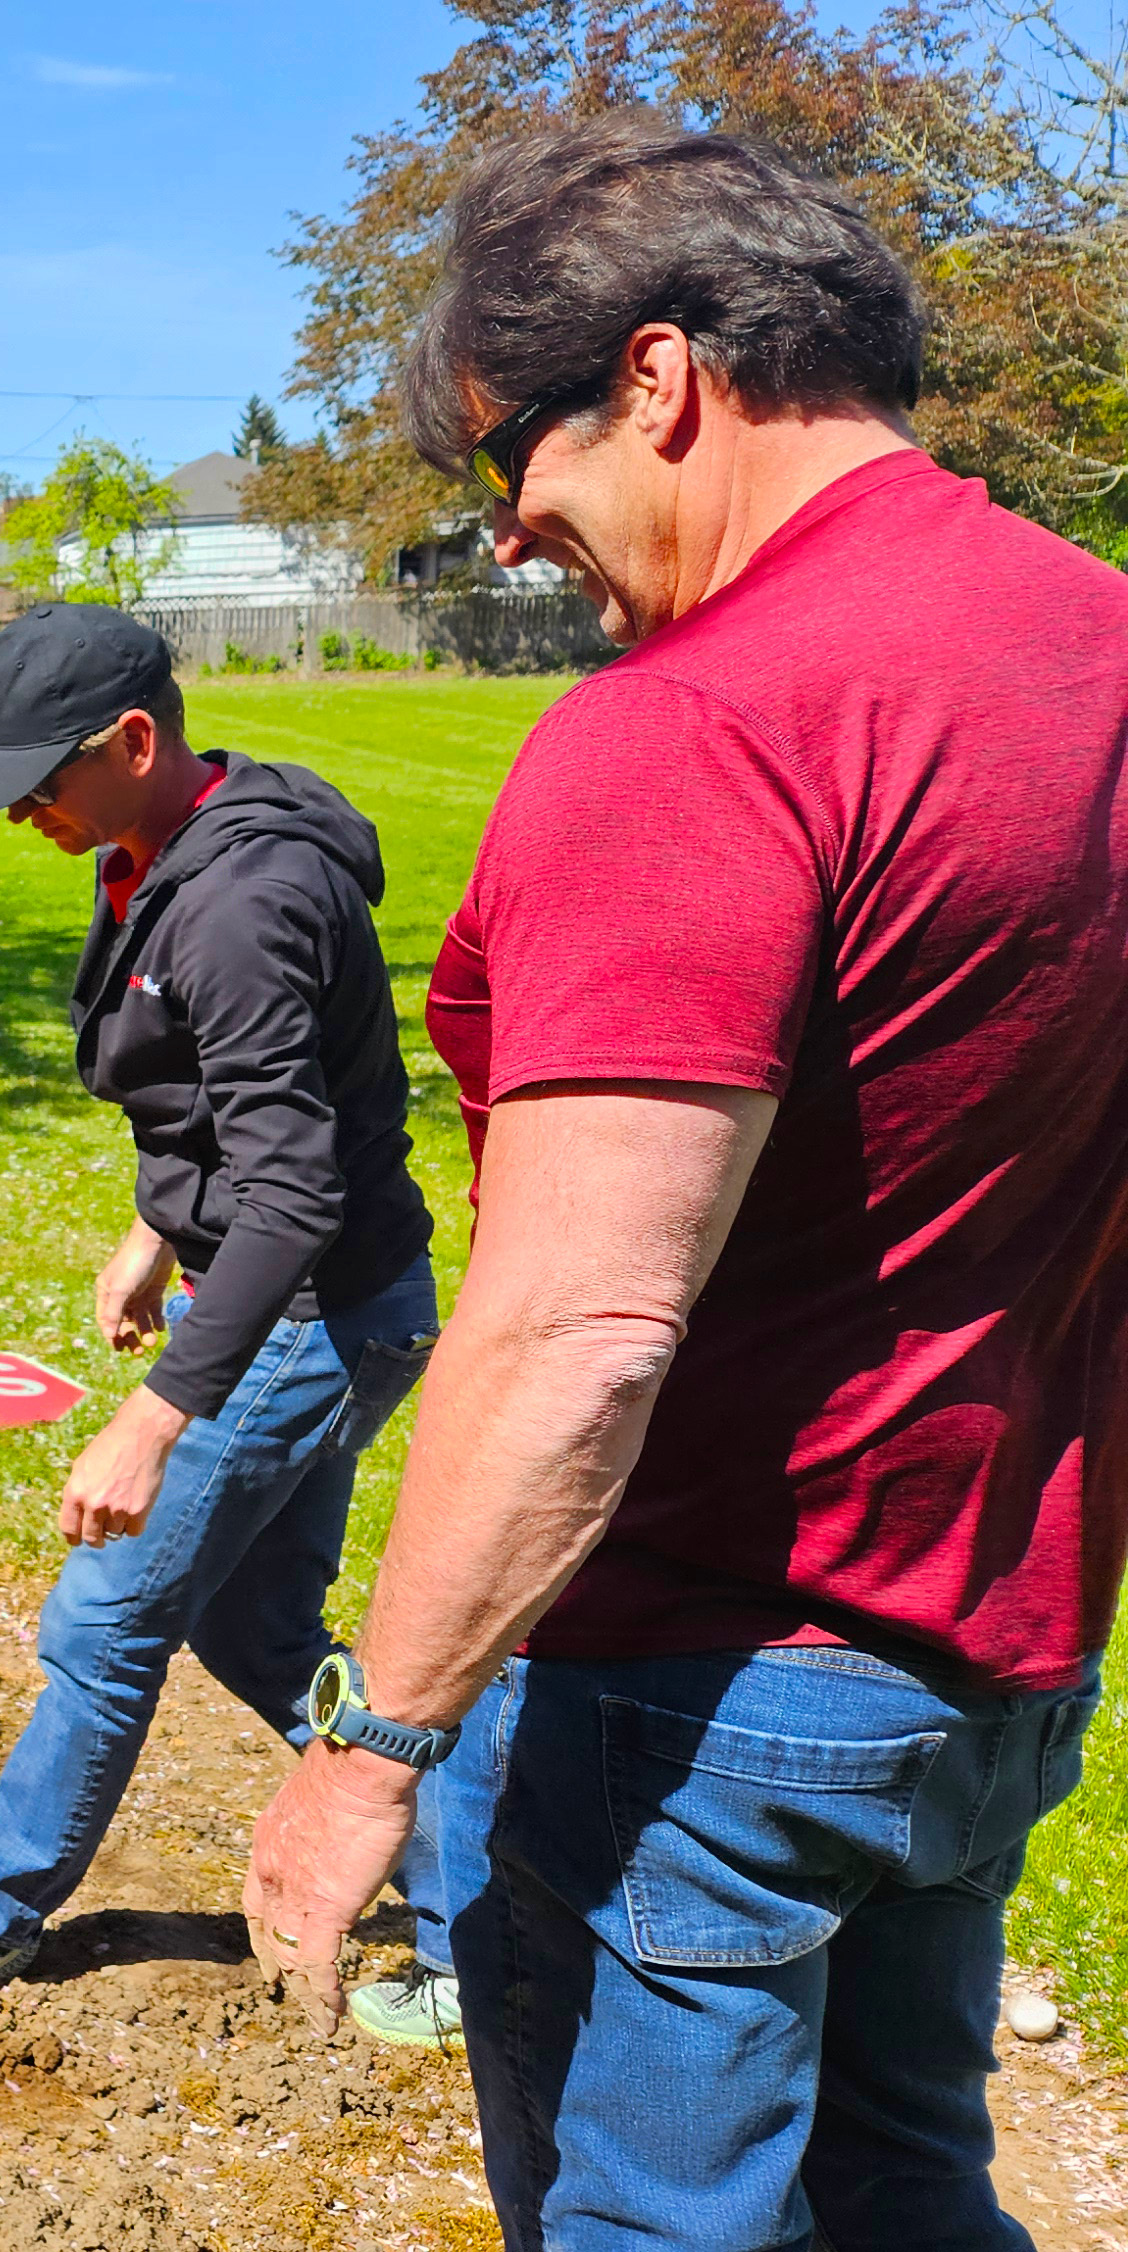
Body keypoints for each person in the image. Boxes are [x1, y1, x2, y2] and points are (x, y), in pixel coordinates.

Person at [243, 113, 1125, 2252]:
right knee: (909, 2185)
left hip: (696, 1691)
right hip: (990, 1653)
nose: (513, 531)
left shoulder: (695, 726)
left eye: (506, 461)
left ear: (654, 381)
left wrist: (366, 1751)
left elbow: (576, 1326)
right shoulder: (1092, 643)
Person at [0, 605, 457, 2048]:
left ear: (134, 741)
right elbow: (218, 1116)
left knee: (108, 1619)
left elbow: (293, 1198)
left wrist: (153, 1414)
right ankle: (462, 1883)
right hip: (299, 1292)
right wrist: (155, 1230)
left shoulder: (240, 904)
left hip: (315, 1311)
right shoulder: (155, 854)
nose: (22, 816)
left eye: (40, 782)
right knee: (254, 1627)